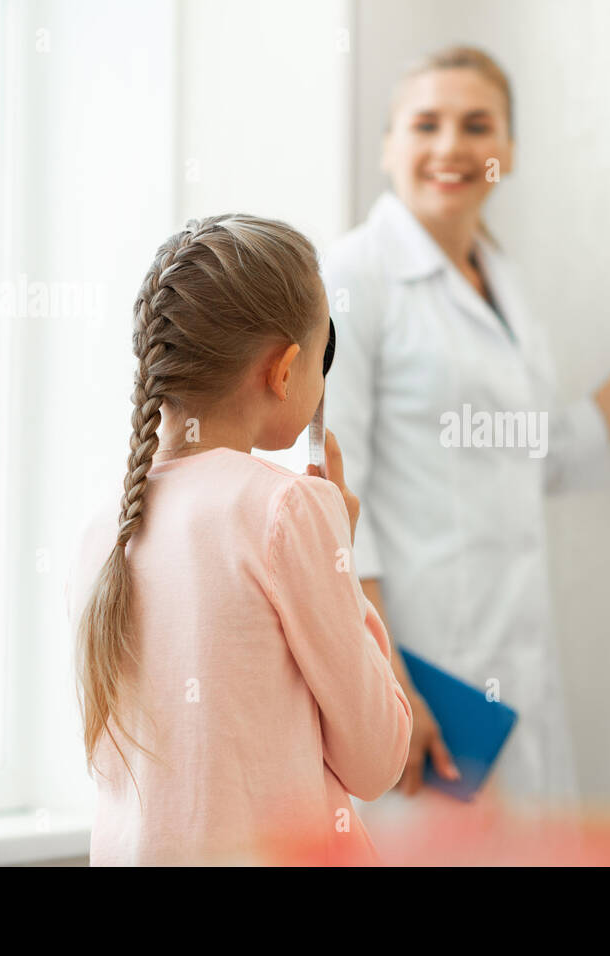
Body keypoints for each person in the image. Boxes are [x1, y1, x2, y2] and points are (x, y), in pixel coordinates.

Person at [322, 47, 610, 827]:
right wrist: (385, 680)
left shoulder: (506, 284)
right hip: (423, 675)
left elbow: (554, 453)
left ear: (508, 150)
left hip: (516, 666)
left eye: (478, 125)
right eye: (425, 124)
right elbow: (336, 496)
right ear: (387, 146)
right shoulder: (352, 277)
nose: (451, 147)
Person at [66, 215, 411, 865]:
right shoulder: (289, 509)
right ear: (285, 370)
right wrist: (342, 550)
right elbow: (377, 759)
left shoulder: (99, 534)